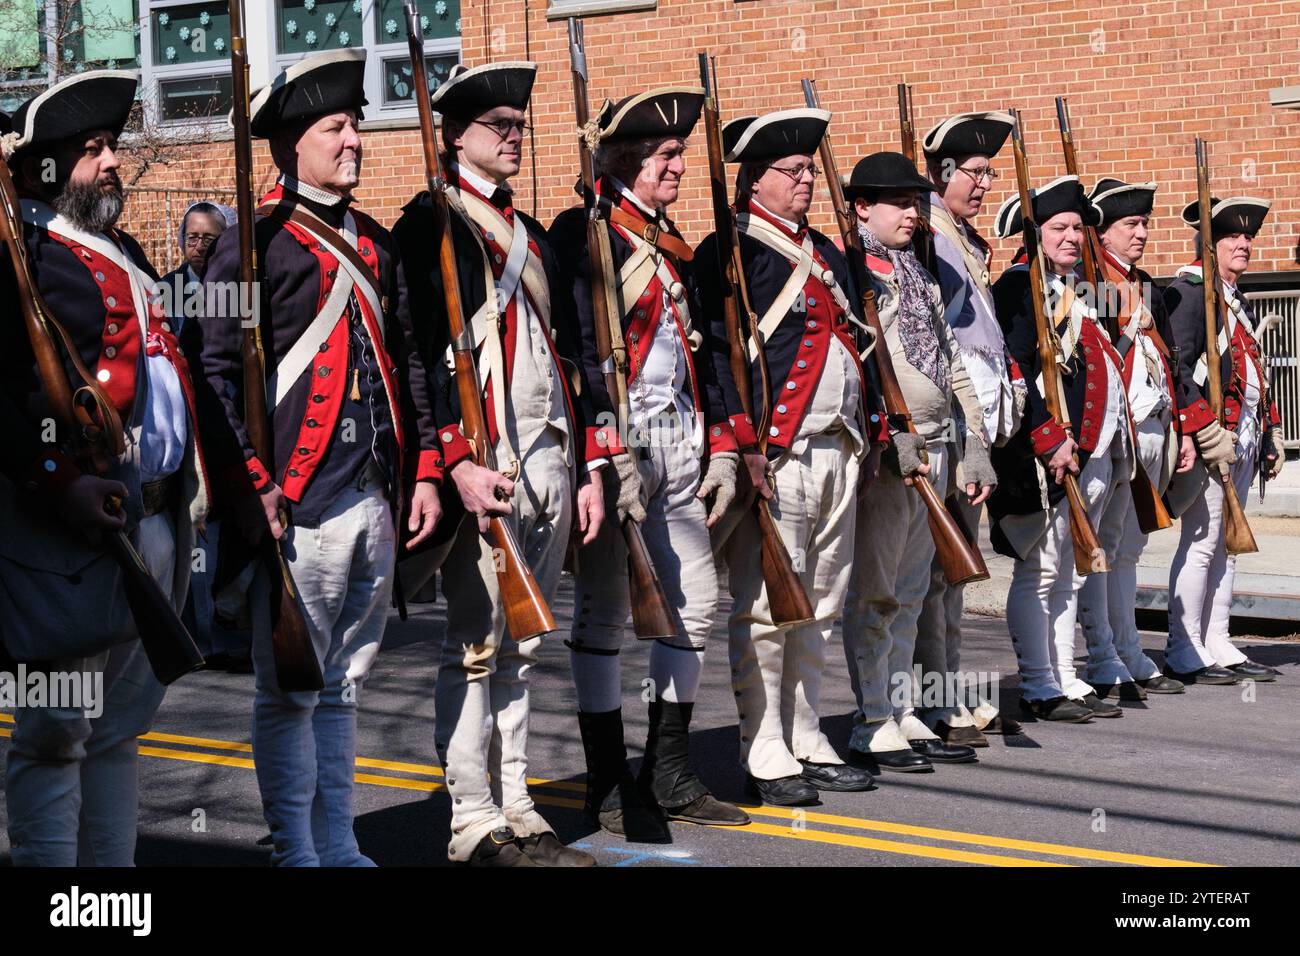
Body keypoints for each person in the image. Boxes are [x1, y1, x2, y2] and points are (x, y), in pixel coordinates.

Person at [199, 49, 443, 866]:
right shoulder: (249, 244)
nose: (354, 141)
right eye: (336, 128)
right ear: (293, 141)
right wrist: (253, 485)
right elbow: (215, 373)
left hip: (374, 492)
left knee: (344, 687)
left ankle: (337, 841)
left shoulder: (374, 243)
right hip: (297, 500)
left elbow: (406, 362)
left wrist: (428, 472)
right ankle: (293, 850)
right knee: (293, 688)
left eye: (355, 127)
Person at [392, 61, 603, 867]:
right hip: (487, 461)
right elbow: (416, 353)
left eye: (520, 124)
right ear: (454, 135)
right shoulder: (425, 226)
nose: (513, 137)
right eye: (497, 126)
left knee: (526, 644)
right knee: (476, 646)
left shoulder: (535, 232)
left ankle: (520, 801)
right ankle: (472, 816)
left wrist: (584, 464)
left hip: (548, 455)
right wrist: (452, 459)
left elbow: (569, 354)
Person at [0, 71, 209, 865]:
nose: (115, 161)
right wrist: (56, 480)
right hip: (66, 534)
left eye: (112, 146)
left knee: (119, 732)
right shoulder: (21, 255)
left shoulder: (118, 247)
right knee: (55, 736)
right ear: (46, 167)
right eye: (94, 150)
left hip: (151, 522)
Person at [549, 85, 751, 836]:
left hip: (682, 440)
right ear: (624, 161)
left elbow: (711, 350)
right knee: (604, 613)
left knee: (696, 603)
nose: (678, 168)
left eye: (677, 155)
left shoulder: (671, 245)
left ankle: (666, 770)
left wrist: (727, 436)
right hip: (619, 449)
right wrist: (602, 443)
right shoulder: (580, 235)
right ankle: (605, 776)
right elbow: (574, 352)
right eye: (665, 155)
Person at [696, 111, 883, 804]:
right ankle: (764, 746)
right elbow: (715, 354)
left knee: (820, 606)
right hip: (779, 456)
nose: (806, 181)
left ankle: (806, 733)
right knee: (768, 609)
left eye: (811, 170)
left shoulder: (827, 255)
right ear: (753, 180)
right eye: (792, 172)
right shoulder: (732, 250)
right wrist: (740, 442)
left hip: (839, 447)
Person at [839, 152, 994, 773]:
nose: (912, 212)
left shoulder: (918, 274)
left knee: (910, 591)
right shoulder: (853, 274)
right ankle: (872, 714)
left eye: (916, 201)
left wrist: (974, 439)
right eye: (899, 202)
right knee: (876, 592)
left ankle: (902, 707)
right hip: (890, 451)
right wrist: (885, 428)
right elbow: (857, 363)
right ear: (861, 208)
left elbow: (952, 363)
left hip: (937, 446)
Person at [989, 175, 1132, 723]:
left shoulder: (1075, 291)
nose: (1071, 236)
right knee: (1041, 572)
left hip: (1083, 450)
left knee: (1069, 570)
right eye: (1059, 227)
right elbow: (1017, 371)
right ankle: (1038, 683)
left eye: (1077, 227)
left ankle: (1066, 675)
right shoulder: (1016, 288)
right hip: (1039, 454)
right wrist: (1051, 438)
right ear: (1036, 234)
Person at [914, 111, 1026, 744]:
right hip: (943, 429)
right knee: (929, 577)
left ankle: (945, 688)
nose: (985, 184)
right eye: (975, 172)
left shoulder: (962, 238)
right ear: (944, 173)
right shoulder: (929, 235)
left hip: (969, 432)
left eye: (989, 172)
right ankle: (926, 699)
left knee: (952, 575)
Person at [1076, 179, 1193, 698]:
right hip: (1111, 431)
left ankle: (1127, 646)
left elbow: (1171, 361)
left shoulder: (1140, 282)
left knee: (1127, 549)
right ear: (1104, 231)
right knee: (1098, 548)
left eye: (1144, 223)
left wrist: (1186, 427)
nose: (1142, 233)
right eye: (1131, 224)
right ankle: (1100, 652)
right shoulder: (1087, 280)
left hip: (1150, 430)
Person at [1162, 194, 1282, 684]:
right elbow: (1179, 366)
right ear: (1208, 246)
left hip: (1244, 437)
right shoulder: (1192, 292)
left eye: (1248, 236)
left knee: (1228, 544)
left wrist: (1268, 435)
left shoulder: (1235, 297)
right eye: (1232, 236)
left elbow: (1253, 370)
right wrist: (1203, 431)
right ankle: (1183, 645)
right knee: (1203, 540)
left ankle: (1216, 638)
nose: (1244, 244)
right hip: (1215, 438)